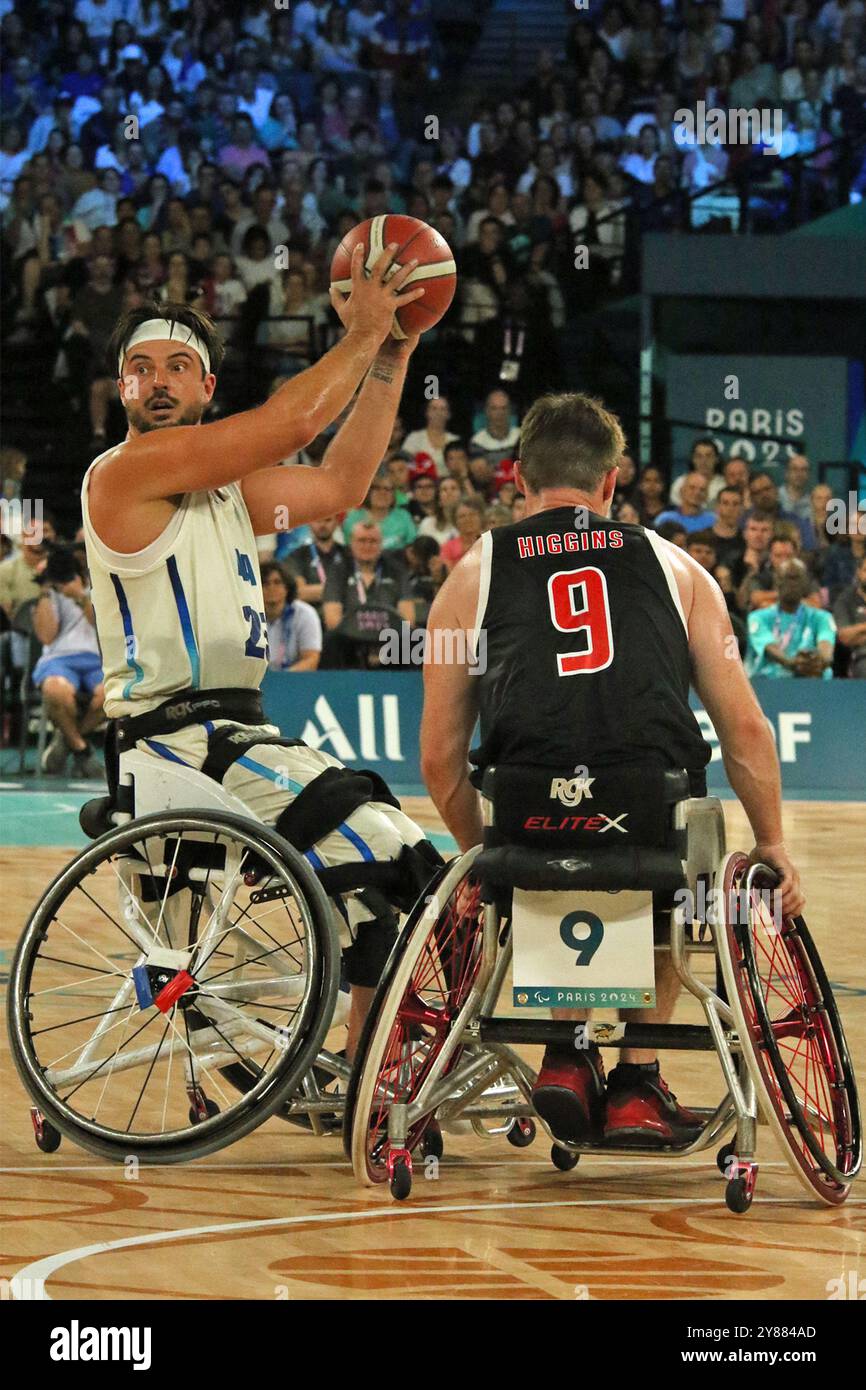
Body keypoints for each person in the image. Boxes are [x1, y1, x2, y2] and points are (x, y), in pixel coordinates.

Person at [81, 246, 442, 1060]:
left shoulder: (230, 492)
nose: (160, 381)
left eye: (181, 366)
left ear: (208, 388)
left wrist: (389, 359)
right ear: (124, 388)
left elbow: (343, 484)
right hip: (175, 742)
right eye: (142, 369)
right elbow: (294, 423)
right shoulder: (122, 475)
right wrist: (363, 330)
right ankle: (373, 1059)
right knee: (391, 849)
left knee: (382, 860)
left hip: (234, 739)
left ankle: (365, 1057)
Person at [420, 391, 803, 1149]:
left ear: (519, 478)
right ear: (612, 483)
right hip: (646, 810)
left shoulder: (471, 575)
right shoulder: (678, 568)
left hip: (528, 812)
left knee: (543, 851)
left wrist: (482, 857)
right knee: (677, 853)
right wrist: (774, 842)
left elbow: (437, 756)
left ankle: (565, 1054)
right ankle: (635, 1077)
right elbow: (747, 730)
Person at [31, 546, 105, 777]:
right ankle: (82, 750)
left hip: (96, 659)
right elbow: (46, 636)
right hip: (58, 659)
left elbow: (102, 627)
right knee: (55, 690)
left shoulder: (102, 586)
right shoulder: (50, 592)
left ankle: (67, 740)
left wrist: (81, 597)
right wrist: (44, 588)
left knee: (112, 693)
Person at [746, 560, 836, 680]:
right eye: (787, 578)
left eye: (797, 579)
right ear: (777, 582)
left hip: (812, 679)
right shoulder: (758, 617)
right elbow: (770, 649)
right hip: (768, 684)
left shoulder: (822, 617)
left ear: (805, 584)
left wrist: (821, 661)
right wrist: (793, 663)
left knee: (826, 673)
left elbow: (826, 647)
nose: (792, 584)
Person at [261, 561, 322, 672]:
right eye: (265, 583)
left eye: (277, 582)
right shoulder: (249, 616)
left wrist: (284, 677)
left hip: (294, 680)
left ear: (287, 587)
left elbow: (311, 659)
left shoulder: (305, 614)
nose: (271, 588)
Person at [286, 514, 348, 610]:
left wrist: (316, 591)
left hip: (343, 616)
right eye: (318, 520)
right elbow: (300, 593)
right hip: (311, 615)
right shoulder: (298, 555)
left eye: (328, 520)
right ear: (309, 523)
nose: (322, 525)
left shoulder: (347, 554)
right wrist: (341, 591)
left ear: (336, 522)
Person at [833, 554, 866, 678]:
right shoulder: (845, 599)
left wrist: (859, 631)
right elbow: (844, 636)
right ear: (858, 572)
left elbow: (852, 635)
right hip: (862, 657)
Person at [653, 472, 718, 534]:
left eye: (702, 490)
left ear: (707, 495)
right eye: (692, 488)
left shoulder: (714, 521)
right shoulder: (665, 519)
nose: (697, 493)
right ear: (682, 491)